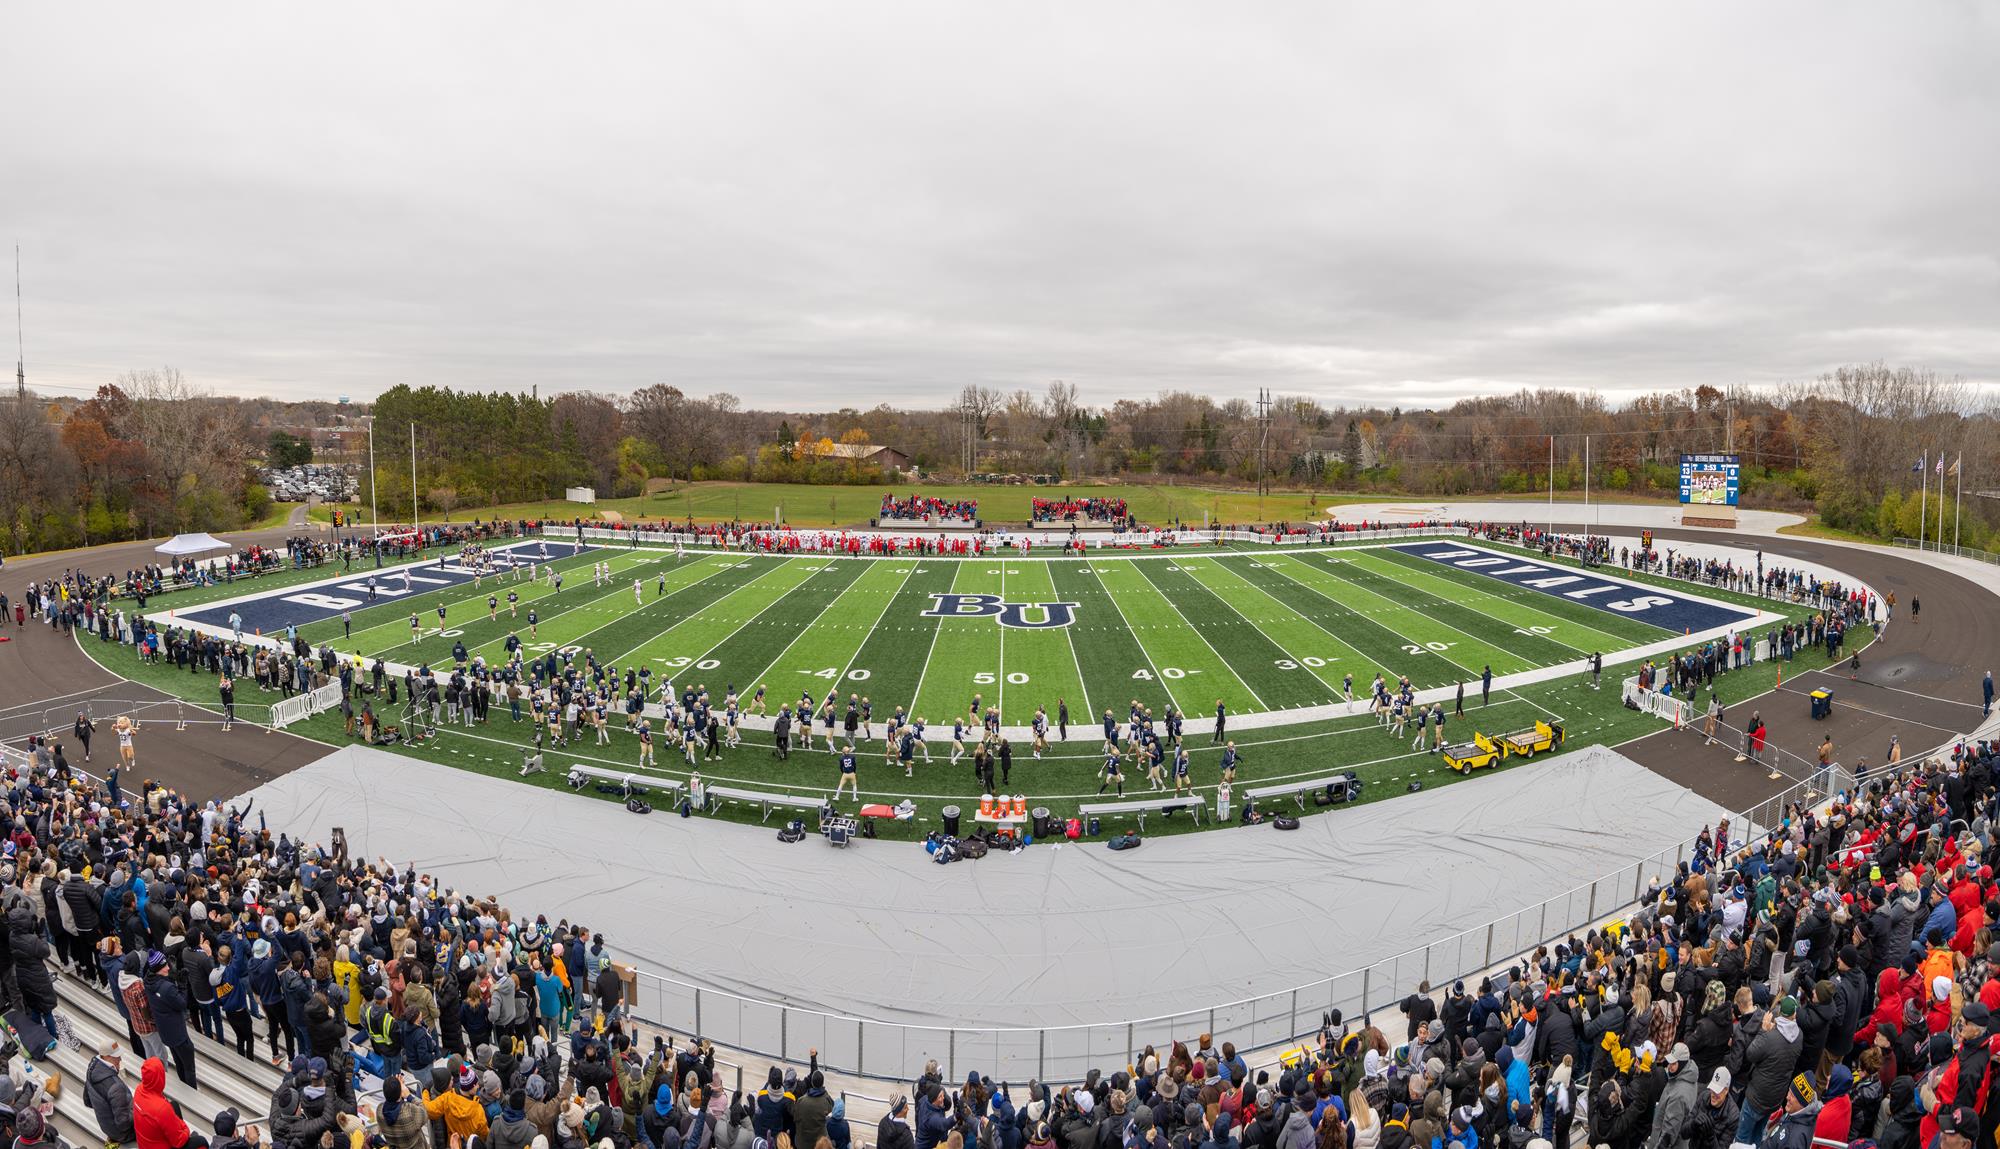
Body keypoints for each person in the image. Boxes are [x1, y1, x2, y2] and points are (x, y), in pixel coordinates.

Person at [86, 1040, 137, 1146]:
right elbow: (124, 1123)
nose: (120, 1059)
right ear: (107, 1057)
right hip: (123, 1134)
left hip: (107, 1128)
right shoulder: (115, 1087)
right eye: (117, 1057)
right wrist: (136, 1111)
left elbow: (87, 1101)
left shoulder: (92, 1069)